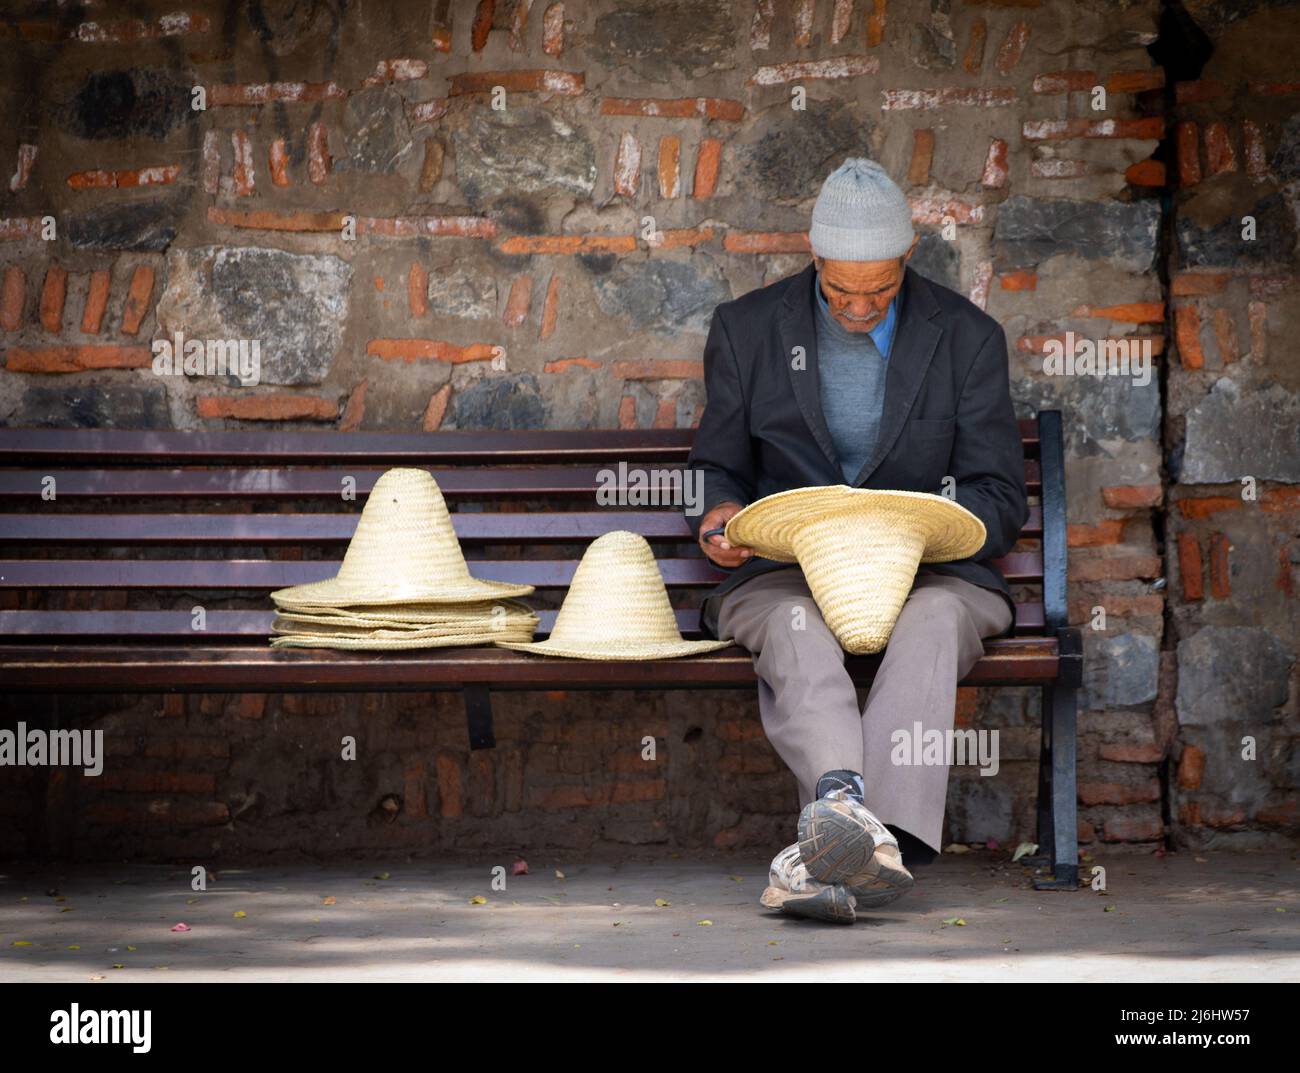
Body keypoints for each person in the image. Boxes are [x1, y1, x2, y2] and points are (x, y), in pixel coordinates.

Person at [685, 158, 1029, 924]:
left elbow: (1000, 494)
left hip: (932, 575)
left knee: (934, 621)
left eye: (880, 290)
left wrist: (913, 530)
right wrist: (716, 520)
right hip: (788, 571)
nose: (860, 307)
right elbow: (713, 468)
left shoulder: (967, 339)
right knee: (795, 628)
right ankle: (847, 817)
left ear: (907, 260)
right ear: (815, 260)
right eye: (841, 291)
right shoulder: (746, 330)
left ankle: (861, 842)